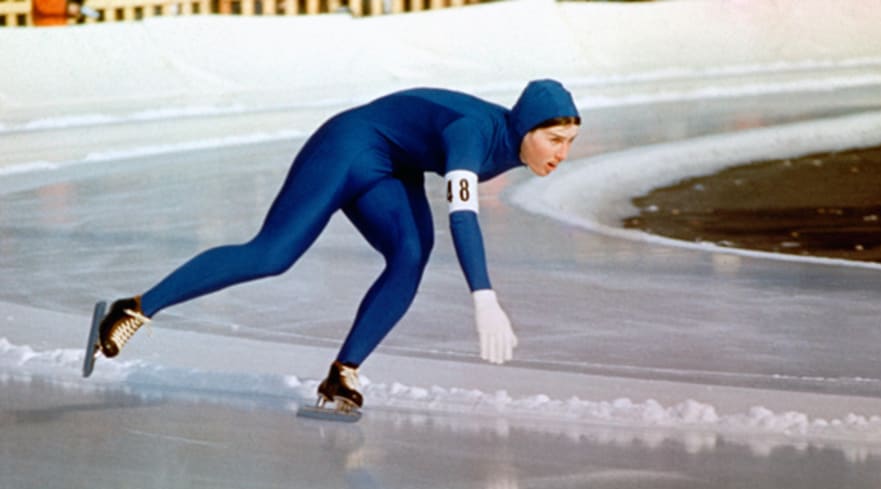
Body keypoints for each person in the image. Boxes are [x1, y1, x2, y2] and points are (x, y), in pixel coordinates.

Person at [96, 79, 580, 412]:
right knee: (272, 255)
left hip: (394, 164)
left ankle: (342, 373)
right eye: (555, 139)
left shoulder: (518, 140)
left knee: (410, 256)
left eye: (570, 142)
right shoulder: (472, 134)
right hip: (350, 144)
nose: (562, 154)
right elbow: (463, 216)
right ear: (526, 129)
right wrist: (483, 296)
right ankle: (135, 307)